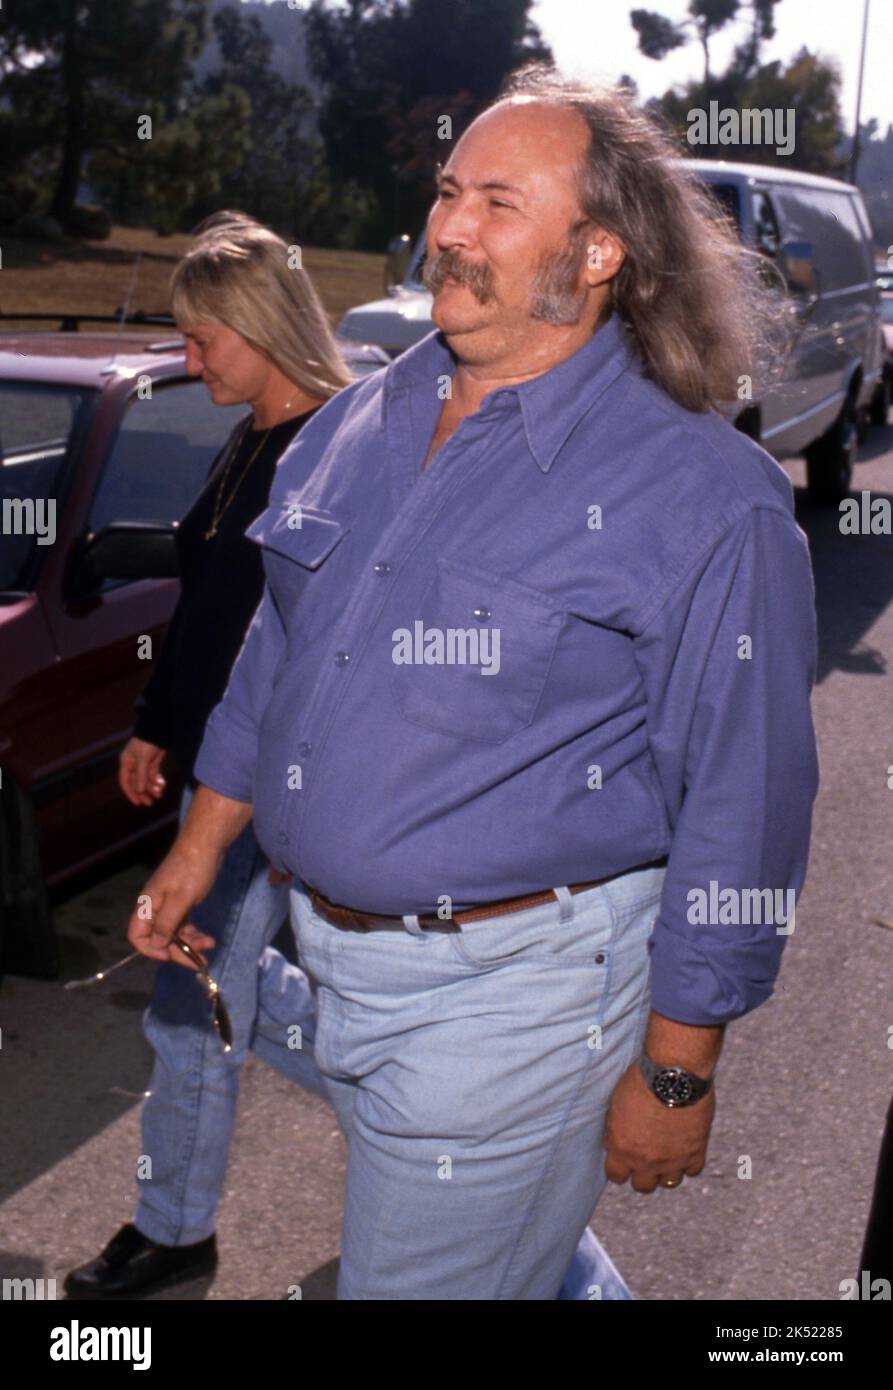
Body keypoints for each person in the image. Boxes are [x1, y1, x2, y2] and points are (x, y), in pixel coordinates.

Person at [125, 67, 820, 1300]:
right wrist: (198, 850)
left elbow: (741, 802)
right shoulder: (365, 415)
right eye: (449, 191)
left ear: (596, 252)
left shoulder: (704, 497)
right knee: (507, 1250)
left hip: (514, 1002)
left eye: (498, 202)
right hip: (332, 963)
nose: (448, 225)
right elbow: (277, 648)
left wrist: (675, 1068)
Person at [64, 217, 352, 1298]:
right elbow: (212, 610)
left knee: (185, 1009)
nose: (190, 365)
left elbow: (310, 649)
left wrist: (271, 808)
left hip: (260, 792)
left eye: (200, 341)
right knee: (215, 990)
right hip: (210, 773)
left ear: (257, 325)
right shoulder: (254, 428)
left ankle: (172, 1229)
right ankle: (412, 1099)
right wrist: (153, 718)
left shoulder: (328, 447)